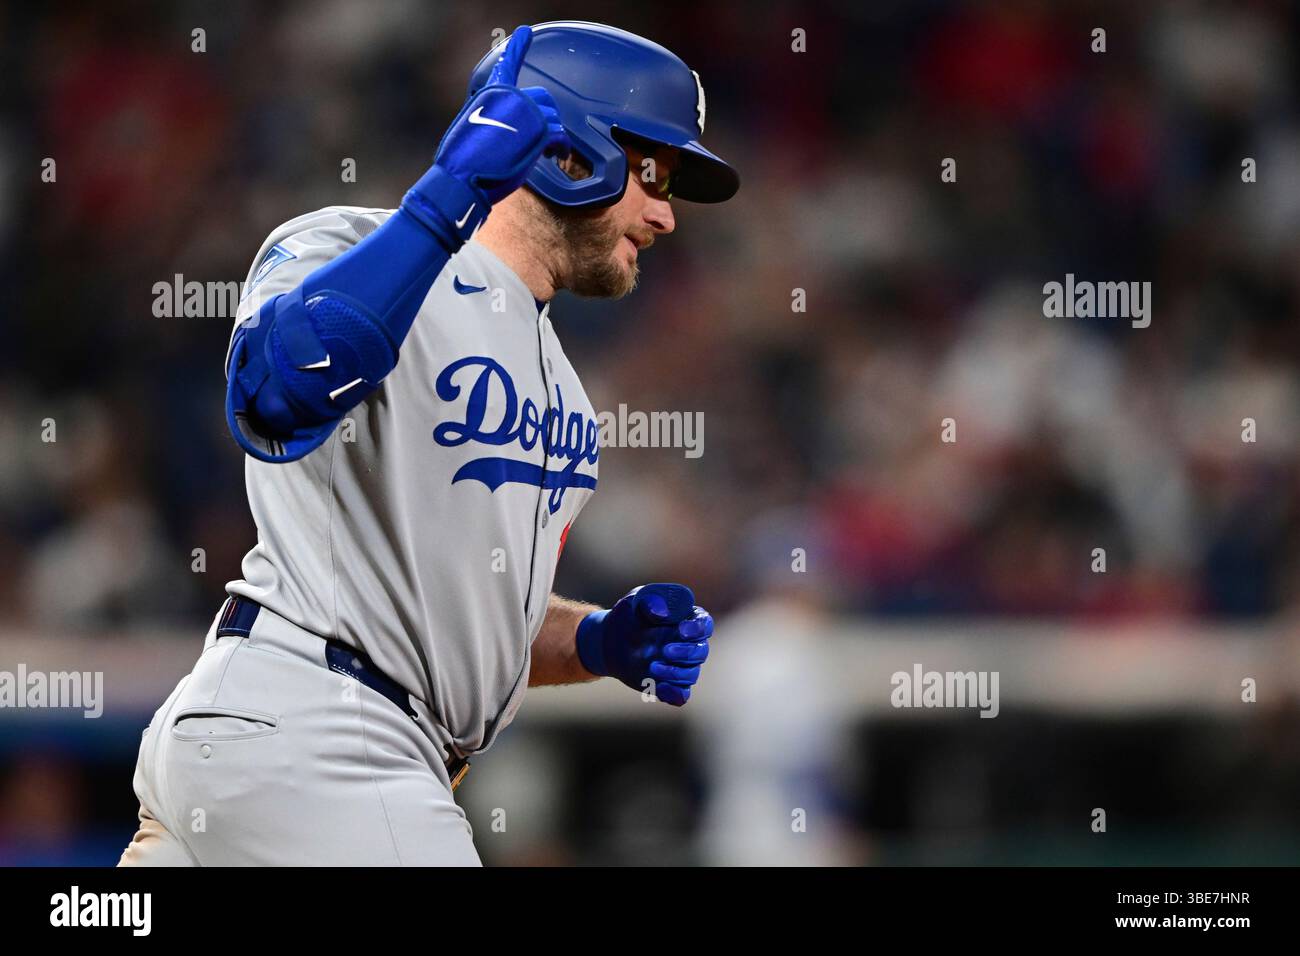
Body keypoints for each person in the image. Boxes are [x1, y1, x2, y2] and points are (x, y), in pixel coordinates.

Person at [118, 21, 738, 866]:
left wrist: (598, 643)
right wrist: (446, 196)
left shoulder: (566, 392)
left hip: (322, 751)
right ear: (568, 149)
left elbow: (460, 626)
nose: (666, 215)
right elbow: (276, 394)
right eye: (653, 174)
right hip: (319, 732)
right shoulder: (349, 243)